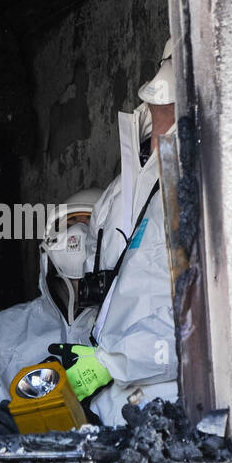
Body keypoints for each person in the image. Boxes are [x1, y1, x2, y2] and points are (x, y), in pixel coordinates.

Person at [62, 38, 180, 426]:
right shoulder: (119, 190)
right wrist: (77, 360)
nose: (160, 116)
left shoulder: (213, 188)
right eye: (159, 105)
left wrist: (114, 361)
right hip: (104, 409)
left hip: (168, 406)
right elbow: (102, 302)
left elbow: (205, 324)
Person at [0, 189, 103, 437]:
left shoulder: (129, 325)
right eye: (70, 224)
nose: (78, 235)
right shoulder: (4, 331)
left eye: (91, 224)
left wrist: (110, 432)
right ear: (48, 243)